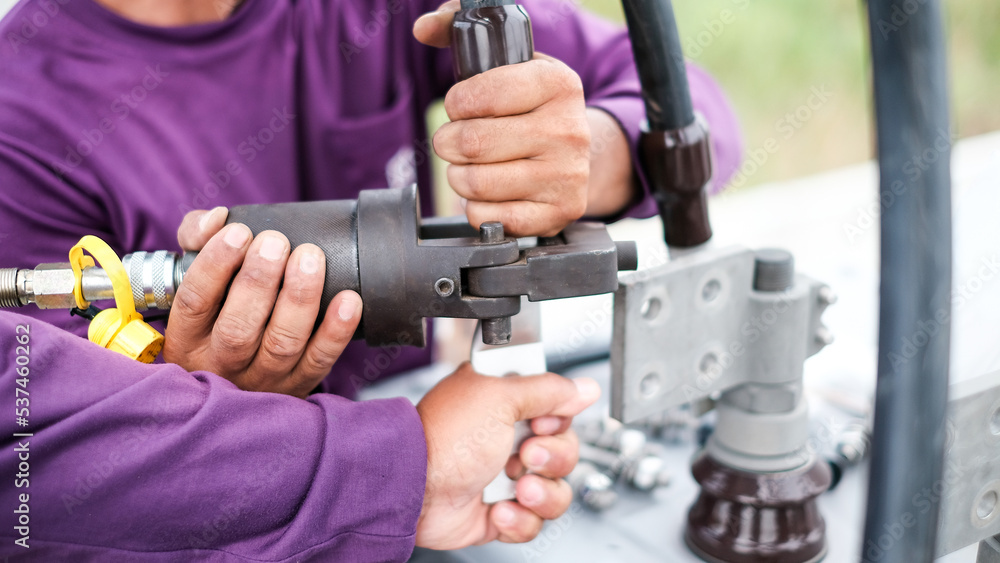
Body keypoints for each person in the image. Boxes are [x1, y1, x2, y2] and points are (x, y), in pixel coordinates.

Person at [0, 0, 742, 560]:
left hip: (445, 465)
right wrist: (197, 393)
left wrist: (596, 156)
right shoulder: (21, 116)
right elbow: (50, 474)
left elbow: (691, 101)